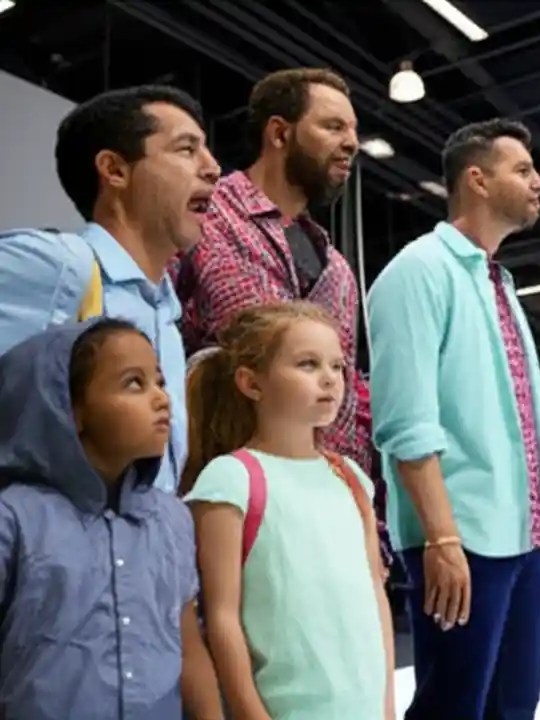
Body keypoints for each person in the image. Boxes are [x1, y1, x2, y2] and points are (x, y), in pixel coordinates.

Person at [368, 118, 540, 719]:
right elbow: (407, 421)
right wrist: (442, 537)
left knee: (514, 707)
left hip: (522, 540)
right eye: (523, 170)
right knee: (452, 708)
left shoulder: (498, 283)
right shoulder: (417, 271)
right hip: (462, 535)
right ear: (477, 180)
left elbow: (526, 425)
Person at [0, 84, 222, 495]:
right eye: (186, 149)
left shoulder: (168, 319)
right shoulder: (60, 266)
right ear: (115, 170)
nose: (212, 168)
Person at [180, 302, 394, 720]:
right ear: (251, 383)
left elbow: (375, 595)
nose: (330, 378)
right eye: (307, 364)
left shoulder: (350, 477)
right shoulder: (232, 478)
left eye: (337, 366)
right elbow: (222, 618)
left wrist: (387, 705)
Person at [0, 319, 218, 719]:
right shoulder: (14, 519)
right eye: (133, 383)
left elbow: (189, 649)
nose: (162, 400)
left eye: (160, 382)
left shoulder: (172, 519)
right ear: (70, 410)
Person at [170, 68, 370, 476]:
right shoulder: (205, 218)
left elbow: (344, 407)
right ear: (279, 134)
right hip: (225, 494)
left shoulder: (338, 271)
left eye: (352, 130)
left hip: (323, 496)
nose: (351, 143)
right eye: (333, 127)